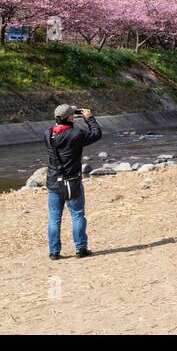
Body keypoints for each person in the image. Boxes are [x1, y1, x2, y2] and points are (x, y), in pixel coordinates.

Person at [45, 103, 101, 261]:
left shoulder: (48, 133)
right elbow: (96, 134)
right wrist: (89, 119)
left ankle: (54, 252)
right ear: (70, 117)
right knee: (77, 215)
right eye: (72, 115)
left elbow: (60, 129)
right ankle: (80, 248)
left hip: (53, 181)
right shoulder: (75, 134)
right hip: (72, 182)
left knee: (54, 218)